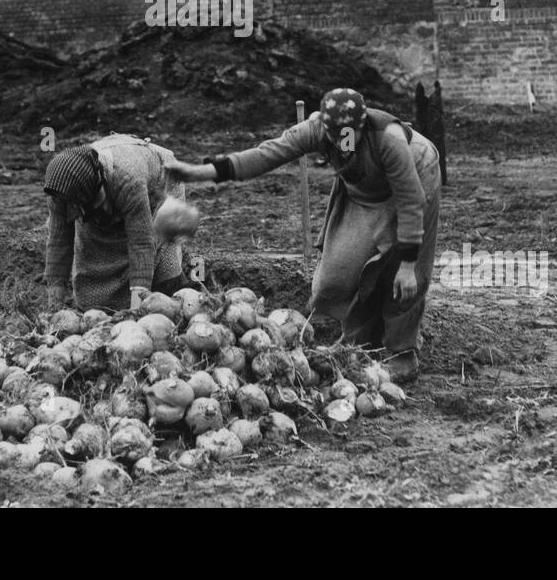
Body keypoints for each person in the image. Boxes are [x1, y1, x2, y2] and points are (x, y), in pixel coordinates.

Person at [165, 88, 440, 382]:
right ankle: (361, 340)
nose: (340, 141)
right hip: (363, 189)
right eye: (334, 134)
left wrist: (410, 264)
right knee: (338, 276)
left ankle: (402, 353)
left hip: (415, 179)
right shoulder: (317, 130)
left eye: (347, 133)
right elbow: (263, 155)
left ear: (361, 125)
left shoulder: (390, 140)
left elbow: (411, 203)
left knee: (400, 274)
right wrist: (200, 172)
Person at [43, 133, 190, 313]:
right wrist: (54, 305)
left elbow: (141, 243)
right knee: (89, 280)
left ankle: (174, 297)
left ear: (94, 190)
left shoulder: (128, 181)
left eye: (78, 205)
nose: (74, 212)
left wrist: (137, 310)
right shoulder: (59, 191)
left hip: (160, 181)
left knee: (164, 266)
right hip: (102, 187)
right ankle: (104, 312)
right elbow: (59, 242)